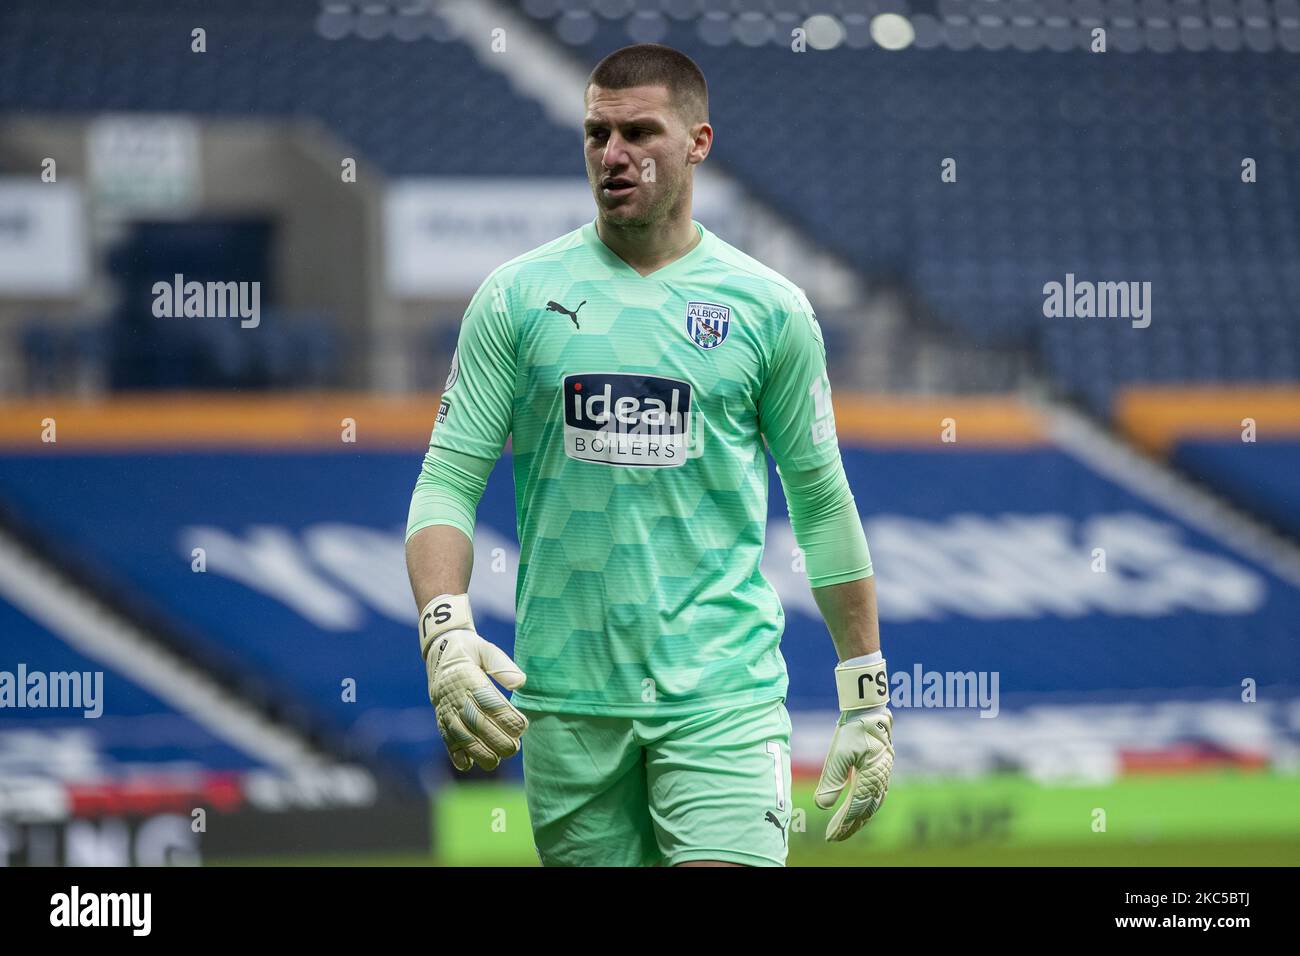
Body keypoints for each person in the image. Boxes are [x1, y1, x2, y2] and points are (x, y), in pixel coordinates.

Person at [405, 43, 892, 867]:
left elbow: (823, 506)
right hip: (565, 706)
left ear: (698, 142)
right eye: (597, 134)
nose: (613, 154)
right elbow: (447, 479)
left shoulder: (769, 310)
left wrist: (866, 695)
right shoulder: (516, 298)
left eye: (639, 132)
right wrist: (445, 632)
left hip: (722, 697)